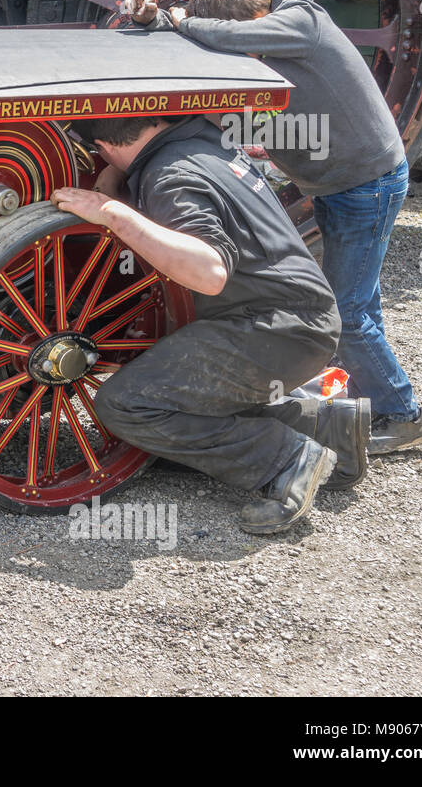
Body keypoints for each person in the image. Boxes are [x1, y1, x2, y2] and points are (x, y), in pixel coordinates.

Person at [127, 0, 422, 455]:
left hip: (364, 183)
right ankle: (373, 396)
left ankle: (403, 414)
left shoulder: (302, 22)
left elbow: (233, 36)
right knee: (359, 302)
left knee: (346, 312)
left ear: (257, 17)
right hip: (341, 183)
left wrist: (176, 20)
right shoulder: (276, 26)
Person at [52, 114, 370, 534]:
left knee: (126, 405)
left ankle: (288, 460)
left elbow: (210, 270)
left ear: (104, 148)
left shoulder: (170, 178)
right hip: (299, 314)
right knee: (184, 404)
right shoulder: (200, 136)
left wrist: (112, 212)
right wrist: (118, 179)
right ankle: (328, 425)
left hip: (273, 328)